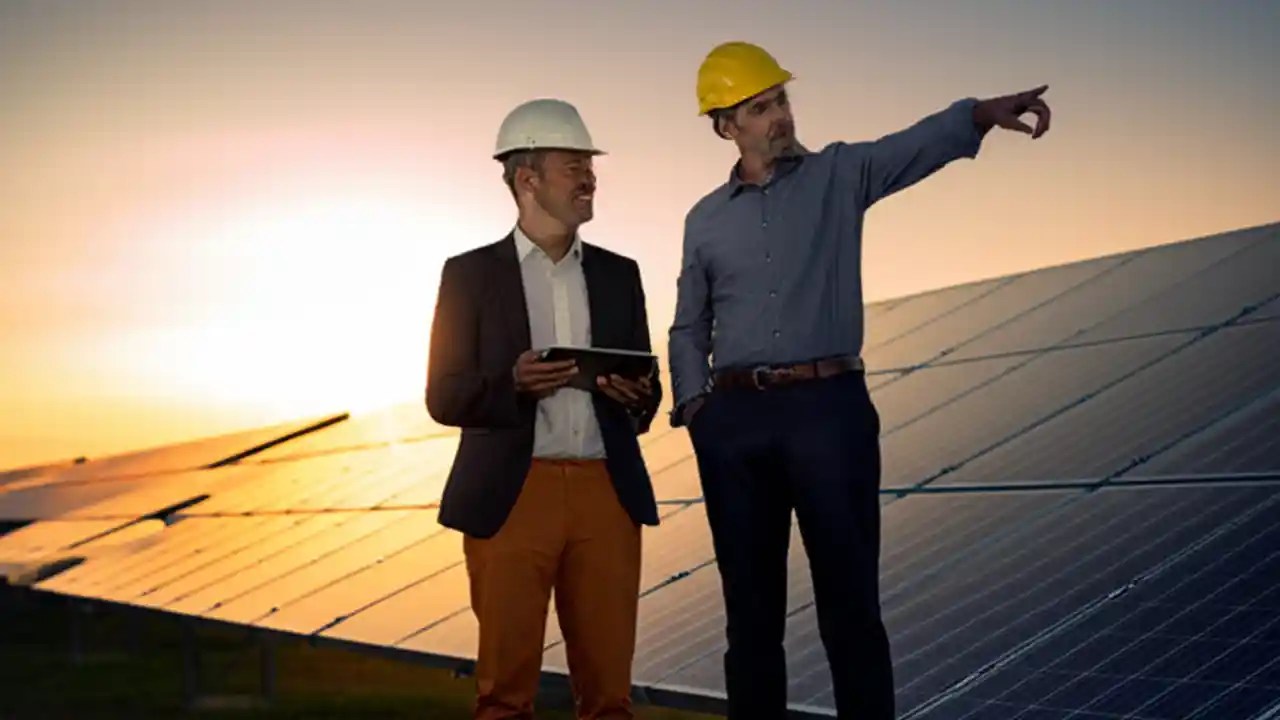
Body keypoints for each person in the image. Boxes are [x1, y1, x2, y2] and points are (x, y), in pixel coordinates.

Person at [667, 41, 1052, 719]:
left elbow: (913, 145)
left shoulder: (841, 173)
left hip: (829, 415)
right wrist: (697, 409)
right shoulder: (703, 219)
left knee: (850, 609)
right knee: (750, 620)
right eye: (760, 107)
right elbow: (687, 326)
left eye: (781, 99)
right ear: (726, 126)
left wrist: (982, 114)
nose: (780, 116)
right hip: (734, 427)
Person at [426, 97, 662, 720]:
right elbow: (443, 395)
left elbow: (647, 387)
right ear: (526, 178)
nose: (590, 179)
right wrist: (514, 383)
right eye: (573, 165)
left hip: (606, 493)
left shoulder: (620, 274)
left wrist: (638, 396)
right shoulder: (469, 275)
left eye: (591, 166)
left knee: (610, 695)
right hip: (511, 496)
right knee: (504, 694)